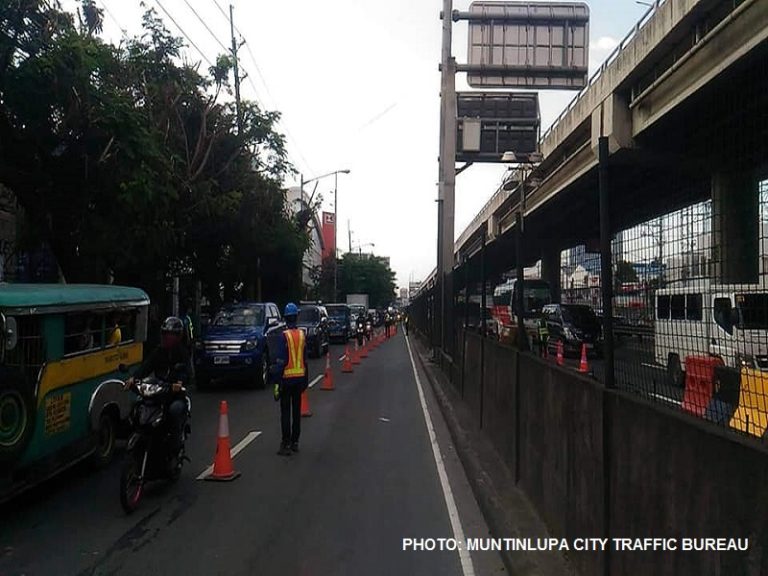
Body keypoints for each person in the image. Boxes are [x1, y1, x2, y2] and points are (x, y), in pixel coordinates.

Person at [125, 317, 190, 453]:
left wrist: (179, 383)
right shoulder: (158, 351)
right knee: (137, 406)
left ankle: (174, 447)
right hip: (158, 391)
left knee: (174, 410)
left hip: (174, 394)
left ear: (178, 337)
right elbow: (146, 366)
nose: (167, 338)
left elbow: (187, 373)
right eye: (165, 334)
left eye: (171, 335)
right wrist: (134, 378)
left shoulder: (182, 353)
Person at [270, 303, 309, 456]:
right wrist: (305, 380)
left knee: (285, 412)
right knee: (296, 412)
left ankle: (285, 443)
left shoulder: (284, 336)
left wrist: (276, 381)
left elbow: (280, 361)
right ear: (296, 317)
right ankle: (295, 442)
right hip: (299, 379)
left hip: (286, 380)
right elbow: (305, 360)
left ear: (286, 318)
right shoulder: (301, 335)